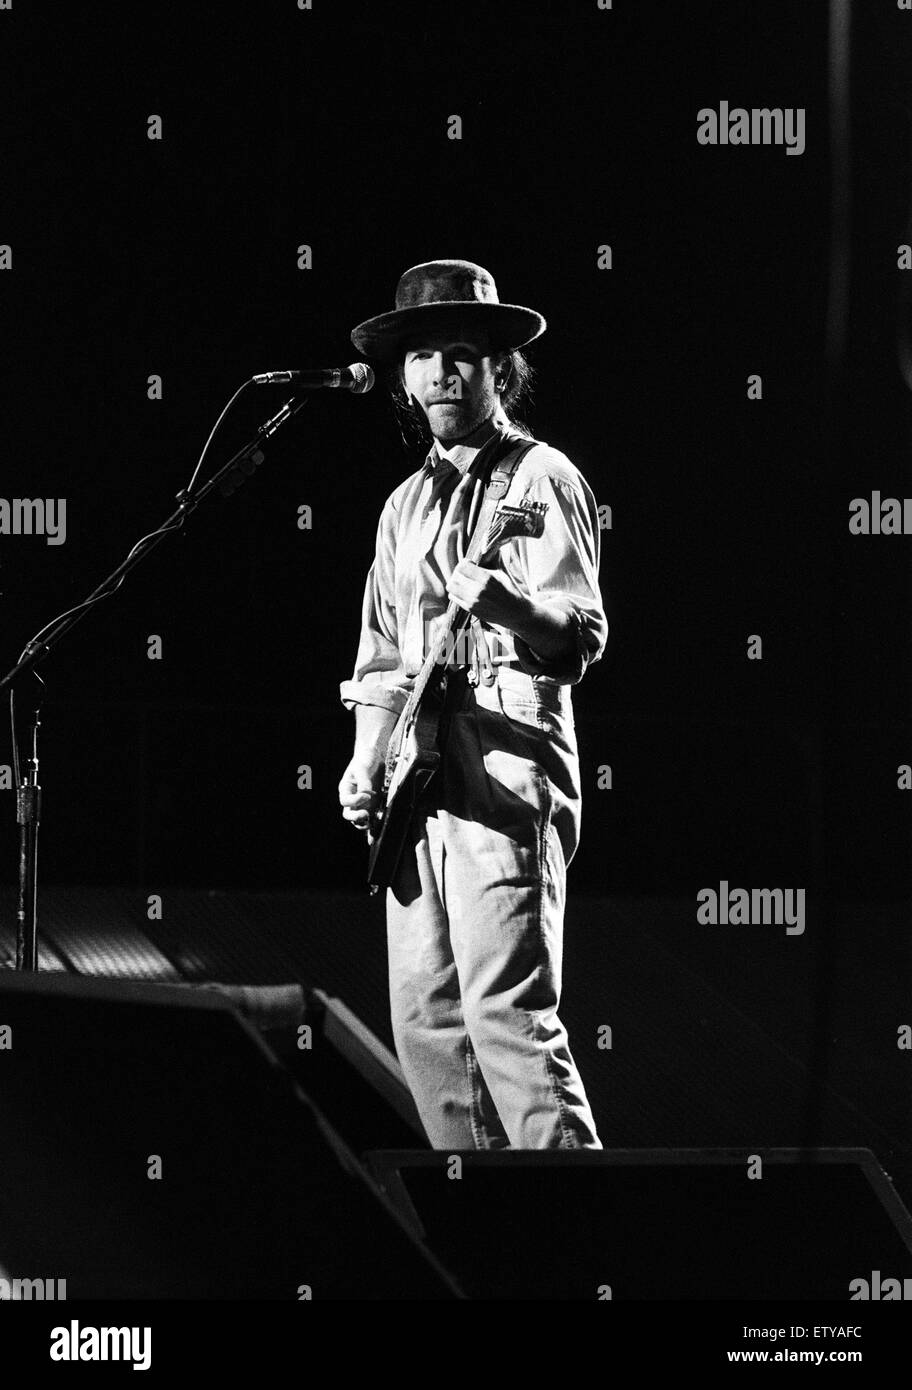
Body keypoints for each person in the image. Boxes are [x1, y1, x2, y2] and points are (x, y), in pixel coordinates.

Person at [338, 260, 608, 1149]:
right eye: (423, 356)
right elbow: (383, 657)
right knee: (426, 1025)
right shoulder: (403, 506)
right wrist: (364, 759)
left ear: (500, 367)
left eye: (462, 352)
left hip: (504, 762)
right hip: (413, 783)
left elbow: (580, 633)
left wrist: (508, 605)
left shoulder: (541, 476)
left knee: (507, 1015)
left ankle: (587, 1223)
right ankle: (476, 1224)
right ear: (403, 377)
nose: (442, 372)